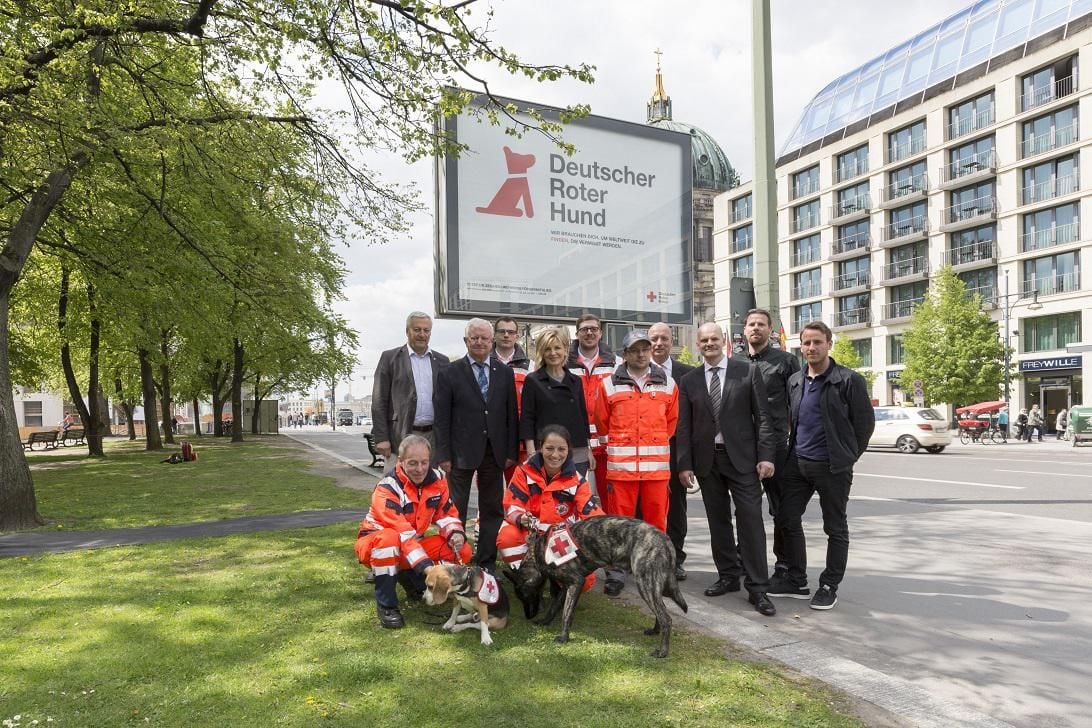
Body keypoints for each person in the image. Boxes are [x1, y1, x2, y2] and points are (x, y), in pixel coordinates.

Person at [771, 321, 875, 611]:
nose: (812, 348)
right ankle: (796, 579)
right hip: (797, 463)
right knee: (786, 518)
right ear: (800, 346)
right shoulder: (795, 380)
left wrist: (847, 456)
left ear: (829, 344)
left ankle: (829, 584)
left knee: (835, 527)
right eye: (806, 343)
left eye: (817, 342)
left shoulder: (848, 380)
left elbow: (864, 425)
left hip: (832, 466)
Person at [676, 323, 778, 616]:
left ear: (724, 341)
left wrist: (767, 456)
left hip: (743, 460)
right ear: (698, 345)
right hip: (708, 461)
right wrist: (685, 464)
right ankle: (728, 576)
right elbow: (684, 427)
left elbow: (763, 418)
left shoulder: (746, 371)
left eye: (714, 339)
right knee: (718, 522)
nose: (709, 344)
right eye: (704, 340)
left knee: (750, 522)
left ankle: (758, 588)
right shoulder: (690, 380)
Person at [354, 435, 471, 629]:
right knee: (389, 540)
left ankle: (414, 581)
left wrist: (455, 534)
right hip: (376, 544)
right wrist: (428, 568)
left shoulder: (439, 479)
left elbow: (447, 513)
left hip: (411, 546)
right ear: (400, 462)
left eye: (424, 462)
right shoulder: (386, 488)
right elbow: (402, 535)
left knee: (463, 550)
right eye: (413, 463)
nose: (420, 469)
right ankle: (387, 605)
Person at [593, 330, 678, 596]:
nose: (641, 354)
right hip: (621, 472)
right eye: (635, 350)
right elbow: (601, 421)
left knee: (656, 524)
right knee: (618, 525)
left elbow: (671, 424)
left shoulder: (668, 384)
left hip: (656, 473)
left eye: (645, 349)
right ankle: (616, 573)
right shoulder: (608, 385)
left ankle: (655, 571)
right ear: (625, 354)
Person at [435, 318, 519, 573]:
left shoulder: (504, 372)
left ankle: (486, 563)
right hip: (460, 454)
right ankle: (456, 561)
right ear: (466, 341)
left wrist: (511, 452)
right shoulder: (450, 372)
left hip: (494, 453)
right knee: (455, 509)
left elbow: (510, 416)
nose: (480, 342)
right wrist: (443, 454)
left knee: (492, 509)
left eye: (484, 338)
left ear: (492, 340)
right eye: (474, 338)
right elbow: (442, 417)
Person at [496, 425, 604, 579]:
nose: (555, 455)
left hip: (560, 540)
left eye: (561, 449)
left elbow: (593, 516)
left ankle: (555, 579)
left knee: (586, 580)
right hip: (529, 535)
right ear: (540, 448)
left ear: (568, 450)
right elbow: (512, 505)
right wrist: (521, 518)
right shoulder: (523, 472)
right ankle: (526, 578)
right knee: (507, 537)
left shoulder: (577, 481)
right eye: (549, 448)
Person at [742, 308, 801, 582]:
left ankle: (784, 564)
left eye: (761, 324)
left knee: (781, 509)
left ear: (770, 330)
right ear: (744, 330)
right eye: (751, 324)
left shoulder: (786, 362)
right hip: (743, 448)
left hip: (777, 447)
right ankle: (745, 557)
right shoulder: (735, 364)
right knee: (745, 508)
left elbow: (798, 405)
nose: (756, 328)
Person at [648, 322, 695, 581]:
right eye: (654, 338)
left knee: (676, 508)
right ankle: (646, 558)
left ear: (670, 342)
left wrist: (687, 460)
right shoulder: (633, 372)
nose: (659, 343)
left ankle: (675, 559)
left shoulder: (687, 374)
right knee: (646, 509)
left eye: (664, 338)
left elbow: (690, 421)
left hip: (675, 452)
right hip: (644, 452)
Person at [371, 311, 451, 459]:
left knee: (429, 481)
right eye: (417, 329)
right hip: (400, 435)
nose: (422, 334)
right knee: (397, 481)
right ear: (407, 331)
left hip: (432, 437)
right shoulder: (390, 358)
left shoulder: (442, 361)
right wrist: (382, 438)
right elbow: (379, 400)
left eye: (426, 330)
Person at [519, 326, 594, 475]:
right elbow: (527, 418)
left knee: (575, 495)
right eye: (547, 349)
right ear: (542, 352)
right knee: (548, 496)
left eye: (557, 348)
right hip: (546, 452)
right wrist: (531, 452)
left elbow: (583, 418)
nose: (553, 353)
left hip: (577, 450)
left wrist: (589, 449)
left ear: (565, 350)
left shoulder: (576, 381)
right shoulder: (533, 381)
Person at [566, 313, 617, 506]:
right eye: (584, 329)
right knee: (575, 501)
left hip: (607, 447)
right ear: (577, 333)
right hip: (575, 446)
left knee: (608, 502)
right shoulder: (564, 364)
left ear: (600, 333)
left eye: (594, 329)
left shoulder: (616, 363)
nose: (589, 333)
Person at [493, 316, 532, 480]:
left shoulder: (530, 366)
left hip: (520, 441)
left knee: (518, 488)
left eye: (511, 332)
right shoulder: (483, 362)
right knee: (489, 496)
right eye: (502, 331)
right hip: (492, 438)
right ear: (494, 335)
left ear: (517, 335)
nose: (506, 335)